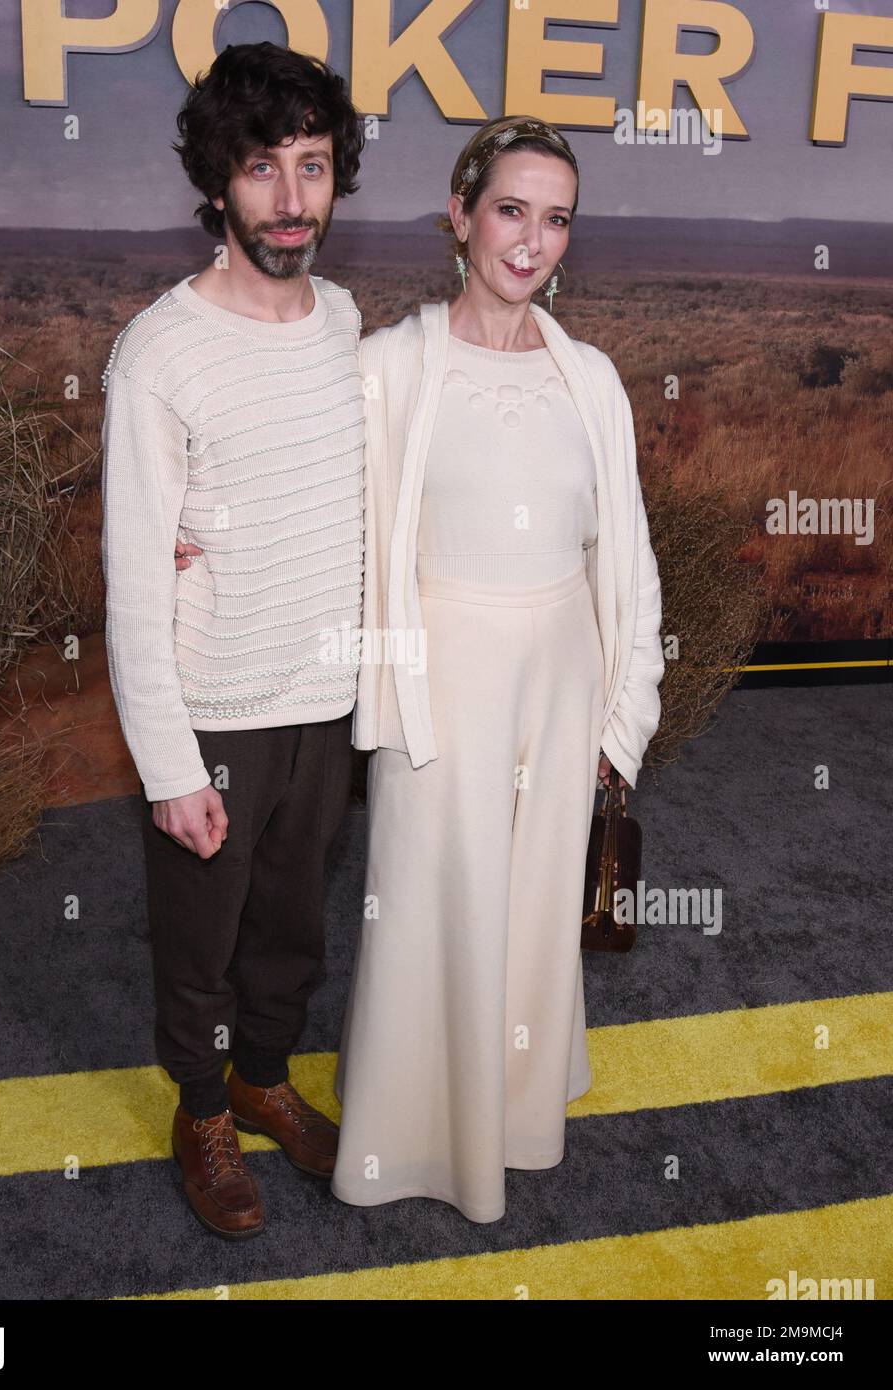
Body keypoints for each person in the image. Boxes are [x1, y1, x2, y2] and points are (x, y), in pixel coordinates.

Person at [331, 117, 666, 1223]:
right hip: (442, 680)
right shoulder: (388, 366)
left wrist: (622, 719)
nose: (530, 240)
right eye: (510, 209)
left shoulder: (594, 380)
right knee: (431, 909)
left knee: (530, 913)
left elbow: (625, 551)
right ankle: (419, 1143)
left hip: (561, 676)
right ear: (460, 214)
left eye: (555, 217)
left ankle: (515, 1118)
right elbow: (322, 513)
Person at [100, 41, 366, 1240]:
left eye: (312, 166)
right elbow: (130, 576)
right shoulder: (159, 351)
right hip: (211, 709)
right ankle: (202, 1111)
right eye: (263, 168)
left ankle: (265, 1078)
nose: (292, 199)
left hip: (327, 702)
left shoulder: (346, 321)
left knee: (292, 927)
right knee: (200, 943)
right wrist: (166, 764)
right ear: (218, 183)